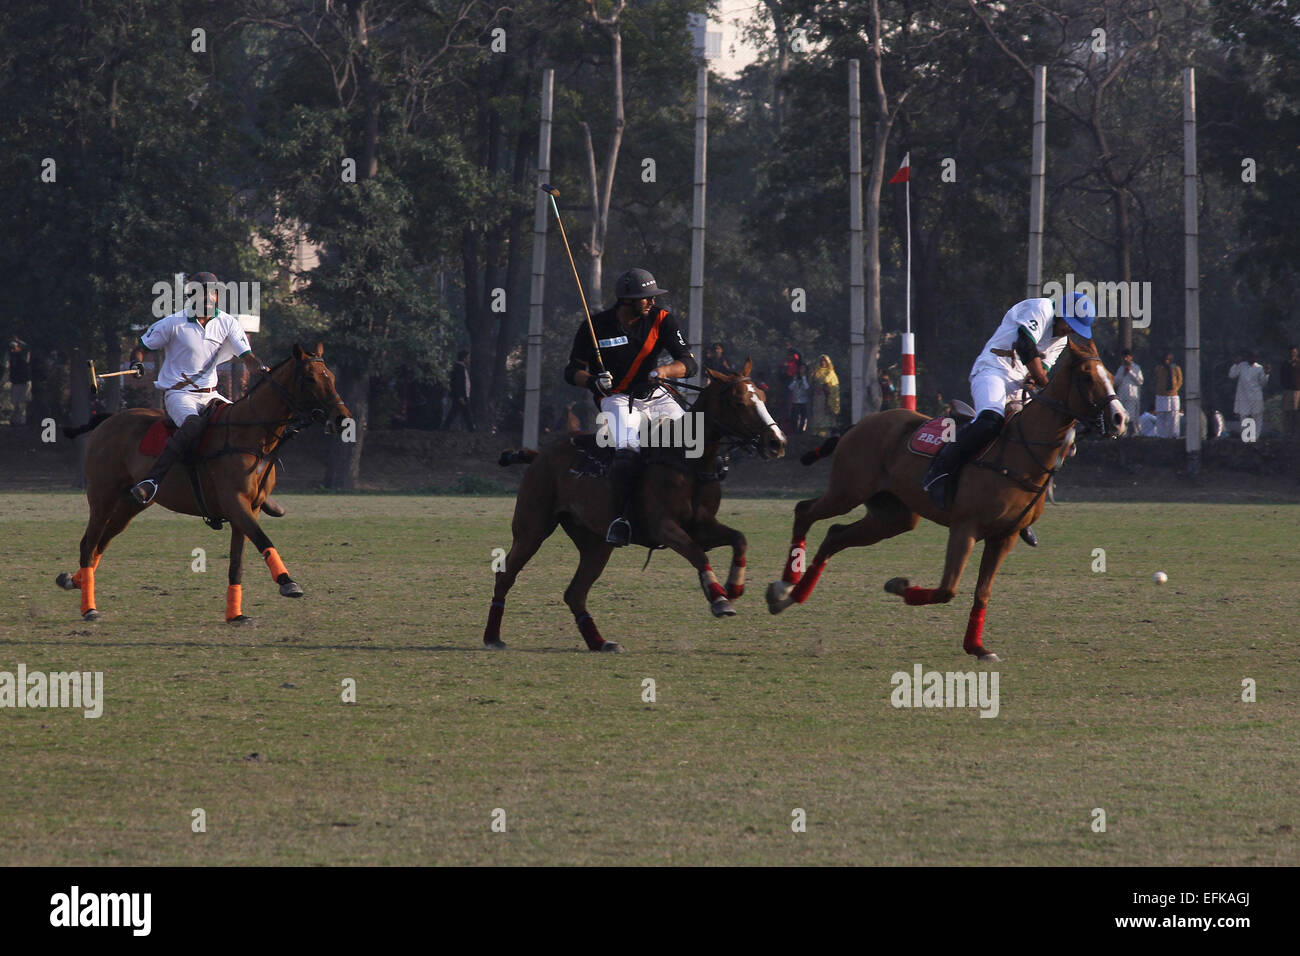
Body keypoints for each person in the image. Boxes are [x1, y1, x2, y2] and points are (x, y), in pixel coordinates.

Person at [923, 293, 1096, 547]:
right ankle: (939, 472)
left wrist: (1033, 382)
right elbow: (1025, 346)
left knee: (1046, 439)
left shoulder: (1062, 340)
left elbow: (1042, 369)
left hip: (1017, 383)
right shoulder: (1041, 308)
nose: (1069, 329)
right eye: (1069, 322)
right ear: (1061, 312)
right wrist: (1043, 384)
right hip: (993, 370)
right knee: (990, 420)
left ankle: (1021, 513)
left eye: (1075, 327)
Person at [564, 268, 698, 547]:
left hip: (655, 392)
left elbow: (689, 362)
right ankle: (621, 519)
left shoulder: (662, 319)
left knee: (693, 440)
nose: (651, 302)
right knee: (627, 448)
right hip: (617, 397)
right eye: (645, 298)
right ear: (626, 300)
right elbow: (571, 371)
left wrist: (666, 370)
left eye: (652, 297)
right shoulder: (595, 325)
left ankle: (691, 507)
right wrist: (592, 381)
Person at [128, 273, 279, 510]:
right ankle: (152, 481)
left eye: (212, 291)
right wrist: (136, 364)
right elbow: (140, 349)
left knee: (244, 423)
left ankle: (257, 489)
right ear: (191, 295)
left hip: (211, 393)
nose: (208, 296)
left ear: (217, 295)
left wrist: (260, 367)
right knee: (193, 425)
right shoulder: (172, 323)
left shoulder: (228, 323)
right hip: (180, 394)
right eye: (201, 291)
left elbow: (246, 357)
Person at [1229, 353, 1269, 434]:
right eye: (1250, 356)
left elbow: (1263, 383)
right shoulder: (1241, 366)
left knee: (1257, 416)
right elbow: (1232, 375)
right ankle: (1246, 439)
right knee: (1244, 416)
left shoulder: (1259, 368)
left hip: (1256, 396)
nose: (1252, 359)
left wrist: (1266, 373)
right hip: (1243, 396)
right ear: (1247, 357)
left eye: (1254, 357)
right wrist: (1235, 364)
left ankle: (1255, 438)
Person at [1112, 349, 1143, 437]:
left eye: (1127, 357)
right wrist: (1124, 372)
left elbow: (1140, 381)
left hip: (1132, 396)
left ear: (1131, 357)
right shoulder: (1121, 368)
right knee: (1123, 416)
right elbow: (1116, 382)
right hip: (1122, 396)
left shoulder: (1136, 368)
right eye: (1124, 357)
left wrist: (1131, 372)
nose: (1125, 359)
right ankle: (1124, 434)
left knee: (1132, 416)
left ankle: (1134, 434)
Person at [442, 351, 474, 431]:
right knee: (465, 414)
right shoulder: (458, 368)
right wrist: (460, 396)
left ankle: (444, 428)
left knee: (457, 413)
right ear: (464, 358)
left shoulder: (461, 368)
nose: (469, 359)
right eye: (468, 357)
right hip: (461, 396)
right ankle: (472, 431)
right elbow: (457, 384)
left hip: (462, 396)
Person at [1153, 352, 1183, 439]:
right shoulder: (1159, 368)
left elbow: (1180, 381)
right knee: (1161, 416)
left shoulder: (1176, 368)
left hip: (1173, 396)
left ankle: (1174, 435)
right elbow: (1156, 379)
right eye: (1165, 359)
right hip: (1161, 396)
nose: (1166, 361)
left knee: (1173, 416)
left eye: (1168, 360)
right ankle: (1162, 436)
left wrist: (1174, 389)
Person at [810, 354, 840, 436]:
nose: (823, 362)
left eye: (824, 361)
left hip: (826, 397)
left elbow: (834, 387)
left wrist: (829, 397)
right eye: (821, 361)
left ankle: (824, 433)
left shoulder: (830, 373)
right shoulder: (816, 372)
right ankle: (816, 432)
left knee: (825, 415)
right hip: (816, 398)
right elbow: (811, 383)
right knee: (817, 415)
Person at [8, 338, 31, 426]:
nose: (12, 349)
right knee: (15, 403)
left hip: (24, 381)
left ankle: (21, 421)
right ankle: (15, 420)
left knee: (22, 403)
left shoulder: (23, 355)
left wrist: (18, 340)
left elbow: (27, 347)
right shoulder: (12, 356)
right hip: (16, 382)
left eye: (14, 347)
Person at [1280, 345, 1300, 439]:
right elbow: (1282, 376)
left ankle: (1295, 433)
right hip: (1287, 390)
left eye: (1294, 352)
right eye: (1291, 352)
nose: (1293, 354)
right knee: (1286, 413)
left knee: (1295, 413)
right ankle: (1287, 433)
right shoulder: (1285, 363)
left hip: (1297, 391)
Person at [788, 362, 810, 433]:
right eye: (800, 368)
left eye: (803, 369)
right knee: (795, 417)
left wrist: (803, 377)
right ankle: (794, 430)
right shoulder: (795, 377)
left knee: (803, 417)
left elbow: (807, 387)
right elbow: (790, 388)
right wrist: (794, 380)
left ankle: (801, 430)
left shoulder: (807, 377)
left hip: (803, 401)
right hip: (795, 400)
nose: (801, 370)